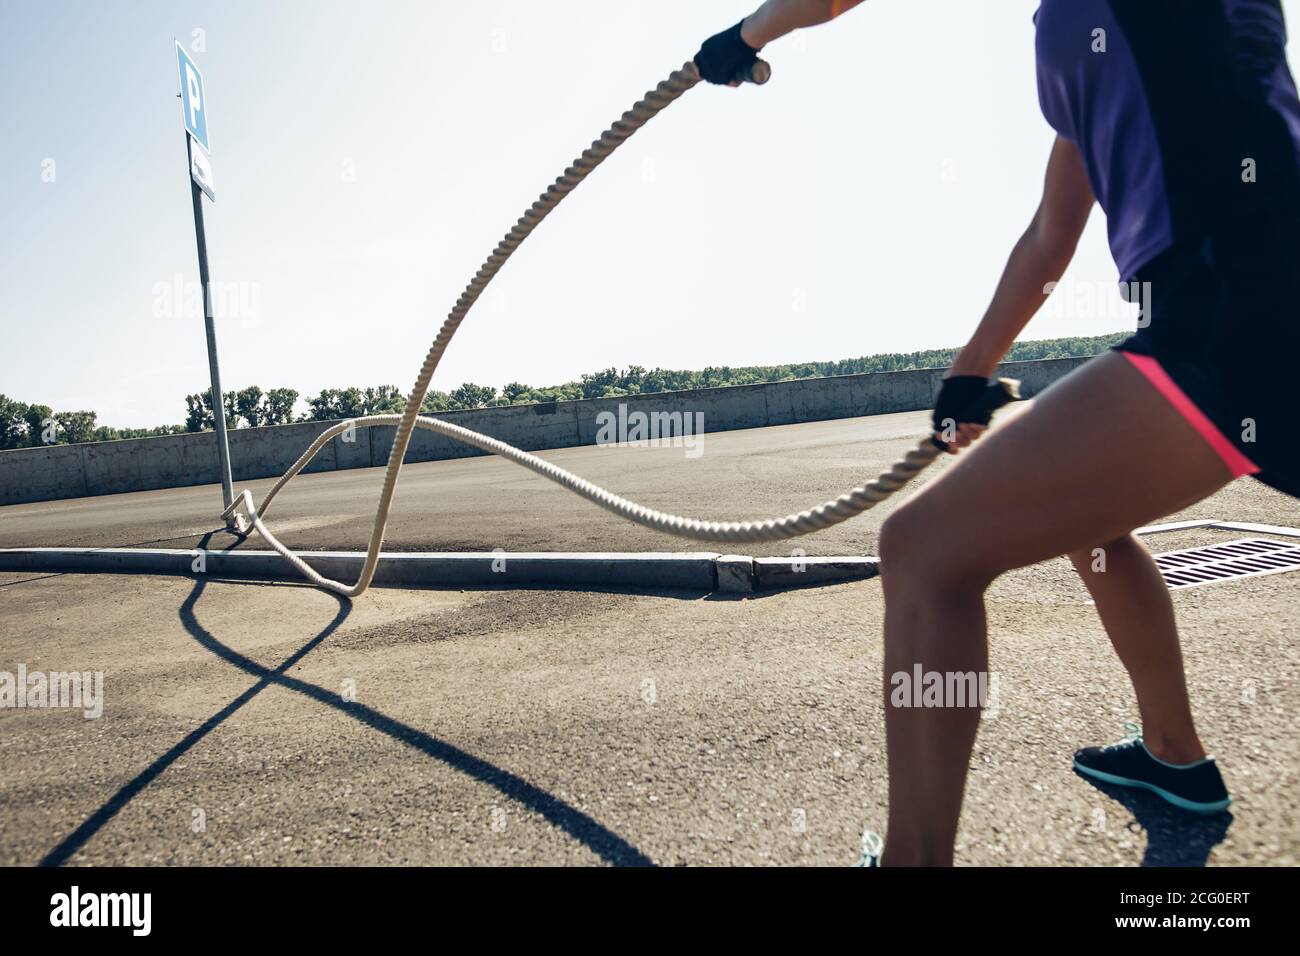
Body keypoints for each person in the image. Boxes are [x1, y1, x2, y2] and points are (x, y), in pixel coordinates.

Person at [695, 0, 1300, 866]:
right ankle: (1177, 759)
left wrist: (743, 36)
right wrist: (970, 373)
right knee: (1090, 527)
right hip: (1234, 307)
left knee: (924, 550)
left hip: (1233, 306)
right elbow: (1053, 233)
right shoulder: (1092, 45)